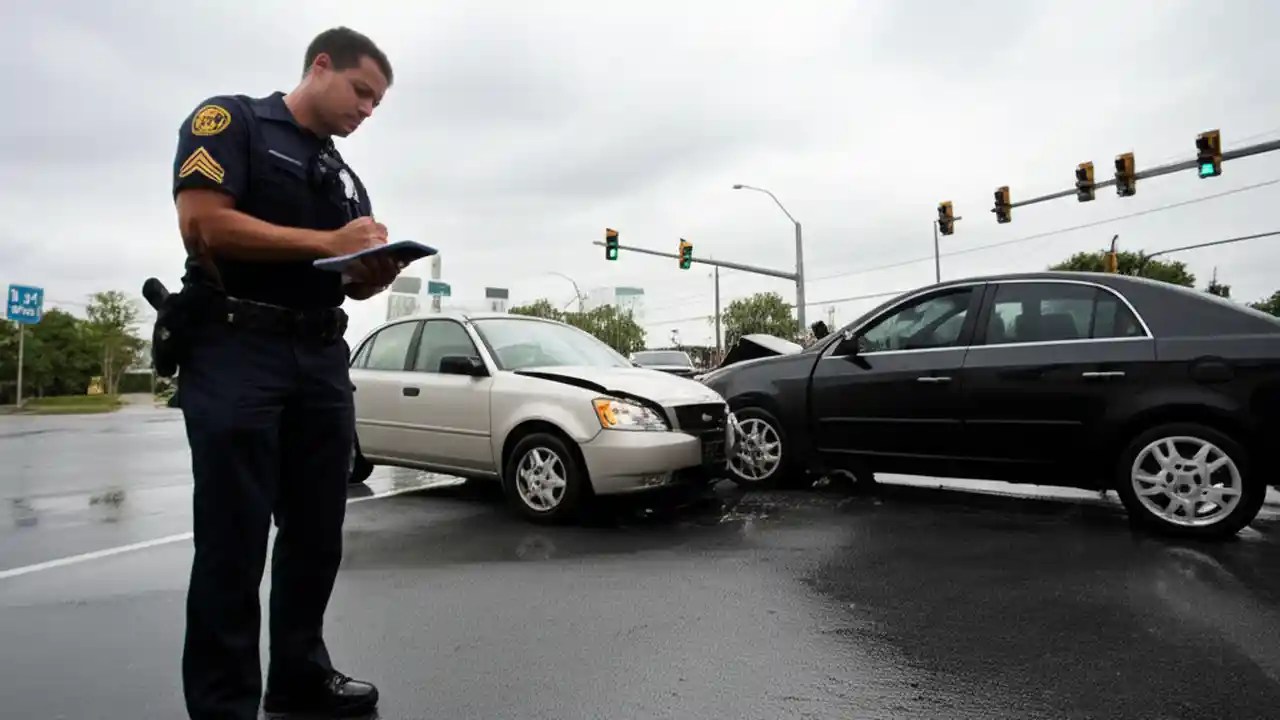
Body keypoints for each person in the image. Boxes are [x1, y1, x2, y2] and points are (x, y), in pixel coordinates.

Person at [170, 27, 399, 719]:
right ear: (320, 66)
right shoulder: (231, 121)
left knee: (317, 531)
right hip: (238, 345)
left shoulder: (344, 175)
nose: (367, 110)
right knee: (233, 539)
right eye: (362, 91)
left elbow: (348, 280)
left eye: (378, 104)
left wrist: (369, 271)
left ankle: (299, 675)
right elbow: (203, 225)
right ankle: (224, 706)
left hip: (320, 355)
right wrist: (330, 243)